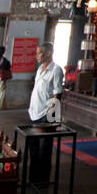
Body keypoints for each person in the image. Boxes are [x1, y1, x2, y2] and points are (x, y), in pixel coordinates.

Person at [27, 42, 64, 183]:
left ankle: (42, 179)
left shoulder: (56, 70)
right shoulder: (39, 69)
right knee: (34, 147)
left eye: (39, 52)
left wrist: (52, 117)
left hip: (46, 114)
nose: (36, 55)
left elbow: (57, 94)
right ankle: (33, 177)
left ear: (48, 53)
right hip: (34, 112)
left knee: (44, 148)